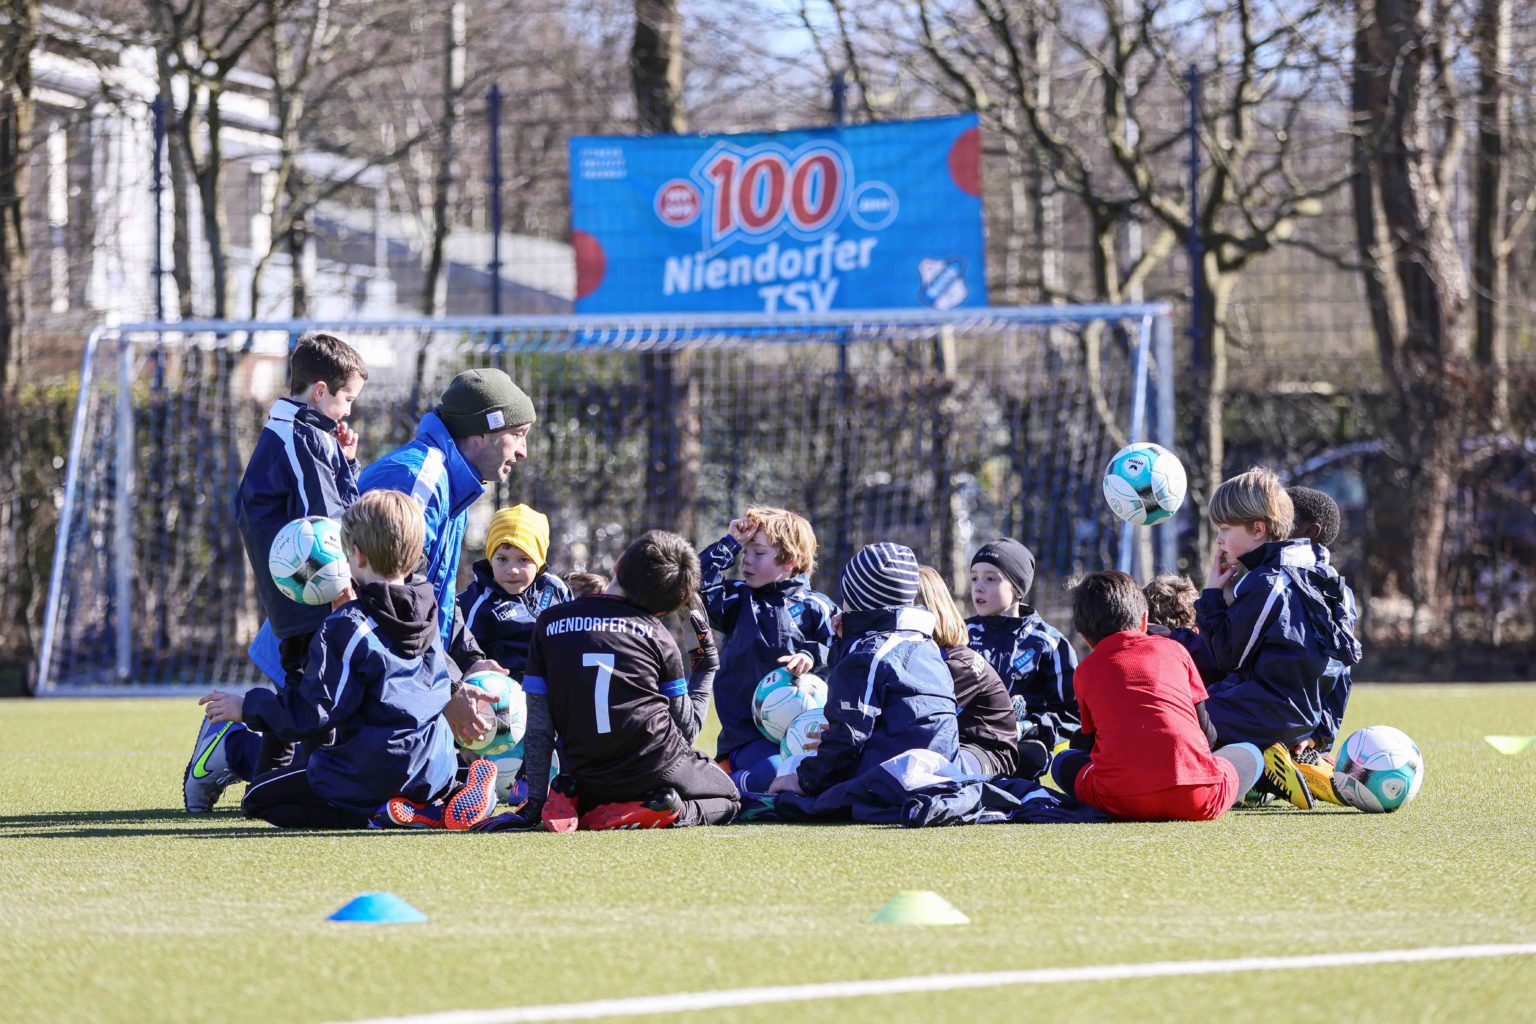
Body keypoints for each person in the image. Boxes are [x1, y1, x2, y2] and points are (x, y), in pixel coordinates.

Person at [192, 490, 497, 830]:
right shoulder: (428, 607)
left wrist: (248, 706)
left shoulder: (348, 626)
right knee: (392, 756)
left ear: (356, 555)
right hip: (432, 763)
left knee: (259, 798)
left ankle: (377, 814)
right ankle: (451, 789)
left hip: (371, 770)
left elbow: (316, 712)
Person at [185, 332, 367, 813]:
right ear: (321, 391)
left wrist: (346, 460)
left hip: (297, 596)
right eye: (346, 399)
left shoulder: (300, 432)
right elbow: (324, 528)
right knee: (313, 705)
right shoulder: (301, 438)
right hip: (310, 596)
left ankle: (258, 778)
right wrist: (343, 593)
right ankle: (249, 767)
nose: (348, 412)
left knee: (304, 698)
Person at [491, 531, 740, 831]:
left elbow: (540, 726)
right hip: (654, 770)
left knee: (586, 774)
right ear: (662, 610)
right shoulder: (658, 635)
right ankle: (668, 811)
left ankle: (576, 798)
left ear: (618, 564)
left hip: (586, 775)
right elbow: (686, 731)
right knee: (730, 799)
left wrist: (534, 800)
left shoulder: (549, 622)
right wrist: (706, 665)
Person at [357, 367, 535, 748]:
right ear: (482, 433)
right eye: (517, 435)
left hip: (377, 652)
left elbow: (432, 597)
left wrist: (469, 659)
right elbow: (394, 601)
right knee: (369, 779)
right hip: (337, 660)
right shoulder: (420, 482)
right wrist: (450, 687)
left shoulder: (453, 486)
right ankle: (237, 741)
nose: (523, 451)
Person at [1197, 468, 1362, 809]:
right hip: (1306, 721)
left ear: (1258, 529)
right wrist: (1320, 736)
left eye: (1225, 529)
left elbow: (1224, 658)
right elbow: (1341, 671)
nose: (1219, 540)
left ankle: (1258, 769)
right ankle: (1287, 762)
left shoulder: (1268, 582)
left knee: (1182, 718)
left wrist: (1211, 595)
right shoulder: (1335, 584)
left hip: (1266, 711)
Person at [1046, 571, 1264, 822]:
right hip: (1200, 799)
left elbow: (1089, 742)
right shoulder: (1176, 650)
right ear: (1144, 620)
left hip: (1118, 802)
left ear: (1084, 637)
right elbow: (1208, 734)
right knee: (1251, 752)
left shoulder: (1084, 671)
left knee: (1062, 760)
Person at [769, 543, 959, 818]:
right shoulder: (924, 645)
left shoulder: (871, 653)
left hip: (893, 780)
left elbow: (849, 735)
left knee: (791, 768)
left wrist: (804, 780)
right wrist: (845, 640)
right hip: (942, 773)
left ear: (857, 598)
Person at [698, 507, 836, 794]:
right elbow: (695, 582)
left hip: (810, 734)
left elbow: (842, 652)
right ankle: (724, 782)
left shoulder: (817, 607)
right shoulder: (737, 600)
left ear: (790, 560)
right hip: (747, 738)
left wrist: (811, 657)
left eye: (758, 553)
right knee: (774, 774)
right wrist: (730, 542)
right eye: (746, 551)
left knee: (821, 777)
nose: (747, 560)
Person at [965, 537, 1079, 777]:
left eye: (991, 578)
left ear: (1017, 589)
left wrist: (1030, 727)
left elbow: (1071, 713)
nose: (979, 586)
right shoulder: (959, 635)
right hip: (966, 740)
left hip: (1020, 743)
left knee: (1026, 757)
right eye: (974, 577)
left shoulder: (1049, 643)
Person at [915, 565, 1018, 778]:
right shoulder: (930, 657)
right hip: (954, 743)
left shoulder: (957, 663)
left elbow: (918, 719)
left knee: (928, 769)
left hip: (988, 752)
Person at [457, 504, 572, 681]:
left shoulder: (554, 588)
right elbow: (464, 652)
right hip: (506, 692)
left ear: (539, 561)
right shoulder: (476, 603)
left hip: (555, 686)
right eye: (502, 559)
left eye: (523, 559)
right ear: (490, 558)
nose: (512, 570)